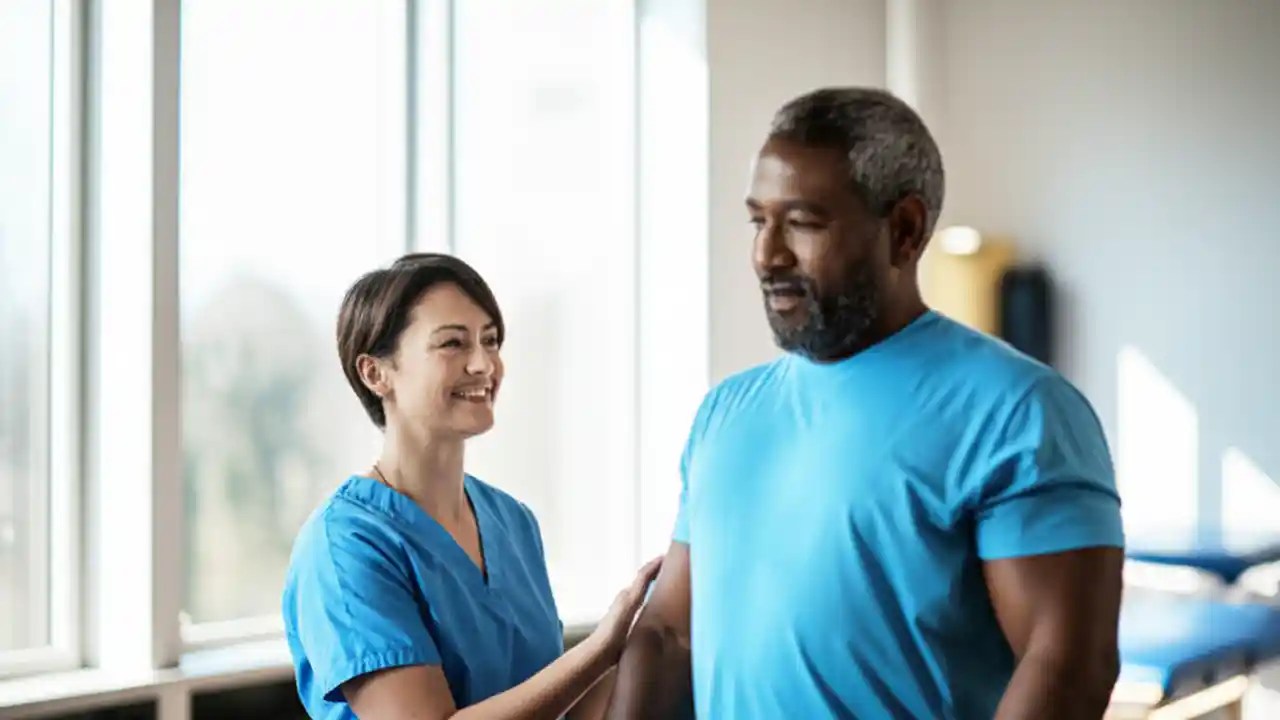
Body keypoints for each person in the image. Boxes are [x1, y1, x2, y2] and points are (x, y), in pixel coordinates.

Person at [606, 88, 1125, 720]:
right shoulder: (726, 412)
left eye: (802, 223)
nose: (767, 255)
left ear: (903, 231)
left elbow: (1068, 666)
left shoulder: (1018, 410)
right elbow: (669, 633)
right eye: (757, 220)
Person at [282, 253, 661, 720]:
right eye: (452, 344)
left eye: (491, 340)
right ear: (375, 373)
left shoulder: (513, 522)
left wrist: (651, 641)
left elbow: (556, 708)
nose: (484, 364)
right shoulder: (344, 546)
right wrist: (600, 649)